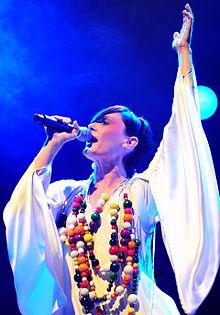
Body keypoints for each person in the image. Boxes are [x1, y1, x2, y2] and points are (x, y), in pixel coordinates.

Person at [3, 4, 219, 315]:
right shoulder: (66, 195)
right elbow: (22, 210)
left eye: (104, 123)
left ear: (130, 142)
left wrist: (183, 54)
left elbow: (180, 132)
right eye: (94, 121)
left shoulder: (141, 191)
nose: (91, 126)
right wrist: (52, 144)